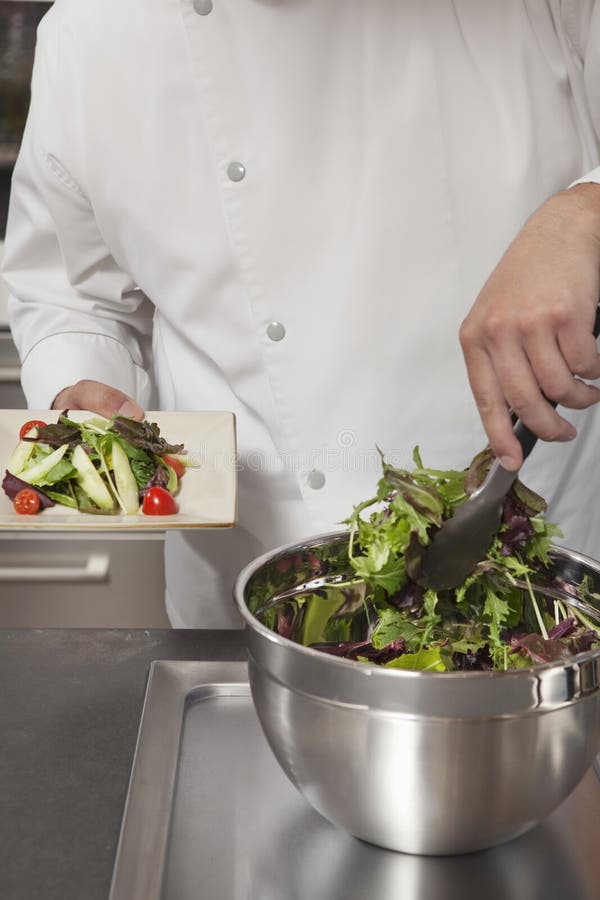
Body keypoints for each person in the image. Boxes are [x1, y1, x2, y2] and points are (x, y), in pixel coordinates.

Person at [3, 0, 600, 627]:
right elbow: (72, 291)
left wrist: (584, 213)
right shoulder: (91, 33)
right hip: (245, 600)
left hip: (535, 584)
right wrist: (86, 381)